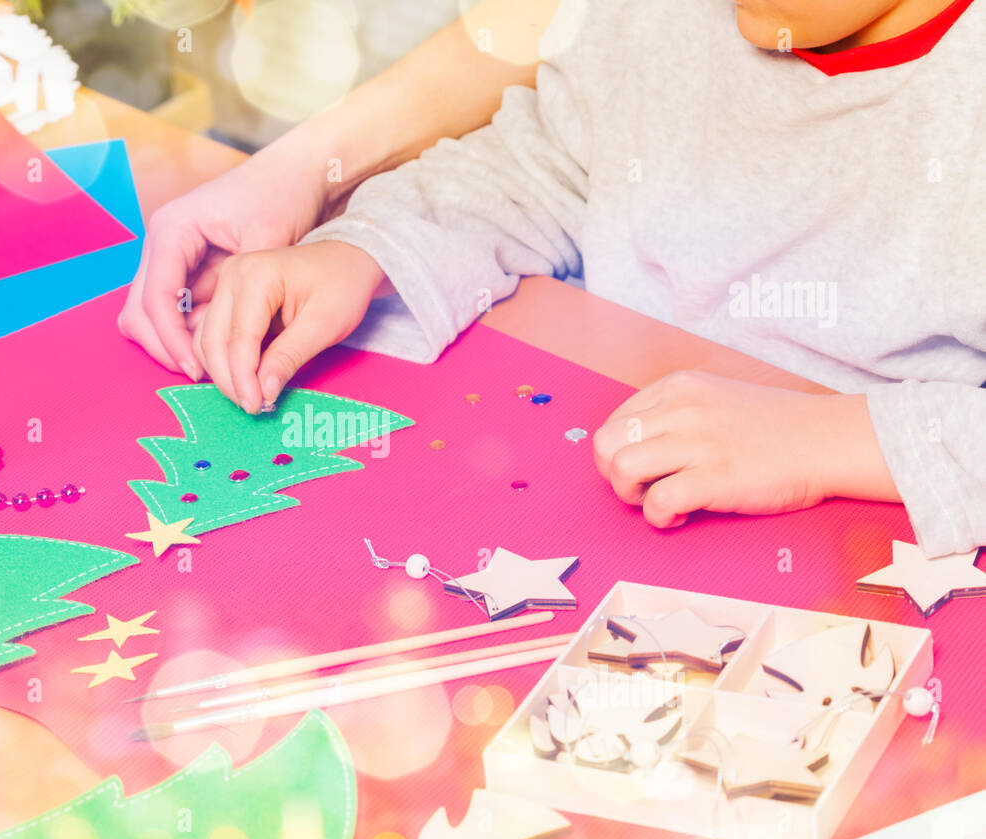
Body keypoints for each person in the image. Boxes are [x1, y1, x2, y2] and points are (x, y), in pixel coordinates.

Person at [120, 0, 986, 558]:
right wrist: (368, 252)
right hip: (592, 524)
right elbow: (548, 161)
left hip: (872, 585)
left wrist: (832, 440)